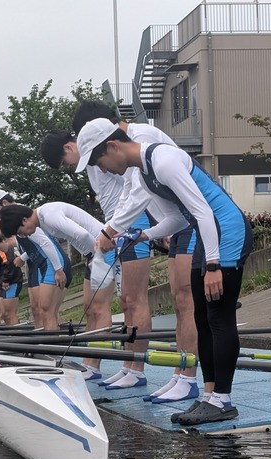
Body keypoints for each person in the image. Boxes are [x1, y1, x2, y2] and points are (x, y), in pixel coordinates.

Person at [76, 118, 253, 425]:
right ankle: (208, 397)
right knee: (202, 318)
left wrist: (212, 264)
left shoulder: (164, 159)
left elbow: (203, 211)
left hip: (228, 232)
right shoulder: (144, 174)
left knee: (219, 317)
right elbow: (178, 220)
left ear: (113, 146)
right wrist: (145, 235)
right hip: (207, 235)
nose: (101, 169)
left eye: (98, 161)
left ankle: (223, 399)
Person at [70, 101, 200, 402]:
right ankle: (180, 373)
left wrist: (111, 231)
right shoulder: (129, 149)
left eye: (99, 156)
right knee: (178, 302)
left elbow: (139, 194)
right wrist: (158, 228)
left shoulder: (143, 137)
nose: (101, 166)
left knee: (185, 300)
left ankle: (187, 376)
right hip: (176, 222)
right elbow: (136, 190)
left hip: (191, 220)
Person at [41, 128, 150, 390]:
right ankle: (128, 366)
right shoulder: (92, 164)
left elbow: (135, 189)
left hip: (128, 226)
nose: (69, 167)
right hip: (115, 229)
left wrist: (111, 232)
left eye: (64, 162)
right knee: (125, 303)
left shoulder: (106, 154)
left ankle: (137, 368)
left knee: (135, 301)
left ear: (69, 147)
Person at [0, 201, 118, 382]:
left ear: (24, 221)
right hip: (93, 254)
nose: (22, 236)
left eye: (19, 231)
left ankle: (94, 365)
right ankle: (89, 364)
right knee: (89, 308)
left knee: (99, 308)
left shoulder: (49, 215)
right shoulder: (43, 219)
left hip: (103, 251)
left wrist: (97, 257)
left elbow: (83, 234)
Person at [0, 191, 72, 330]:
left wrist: (58, 269)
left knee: (46, 311)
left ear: (4, 203)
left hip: (50, 264)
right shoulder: (15, 220)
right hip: (41, 264)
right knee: (41, 310)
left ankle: (51, 348)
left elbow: (45, 243)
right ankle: (44, 345)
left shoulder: (22, 216)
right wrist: (22, 257)